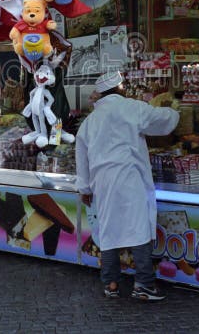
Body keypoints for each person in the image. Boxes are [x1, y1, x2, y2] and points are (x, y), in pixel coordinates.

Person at [75, 71, 179, 301]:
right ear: (119, 88)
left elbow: (81, 158)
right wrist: (174, 108)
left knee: (108, 232)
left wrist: (84, 189)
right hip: (129, 177)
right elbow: (164, 120)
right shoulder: (132, 108)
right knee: (138, 229)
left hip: (102, 182)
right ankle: (143, 284)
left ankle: (111, 284)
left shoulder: (90, 122)